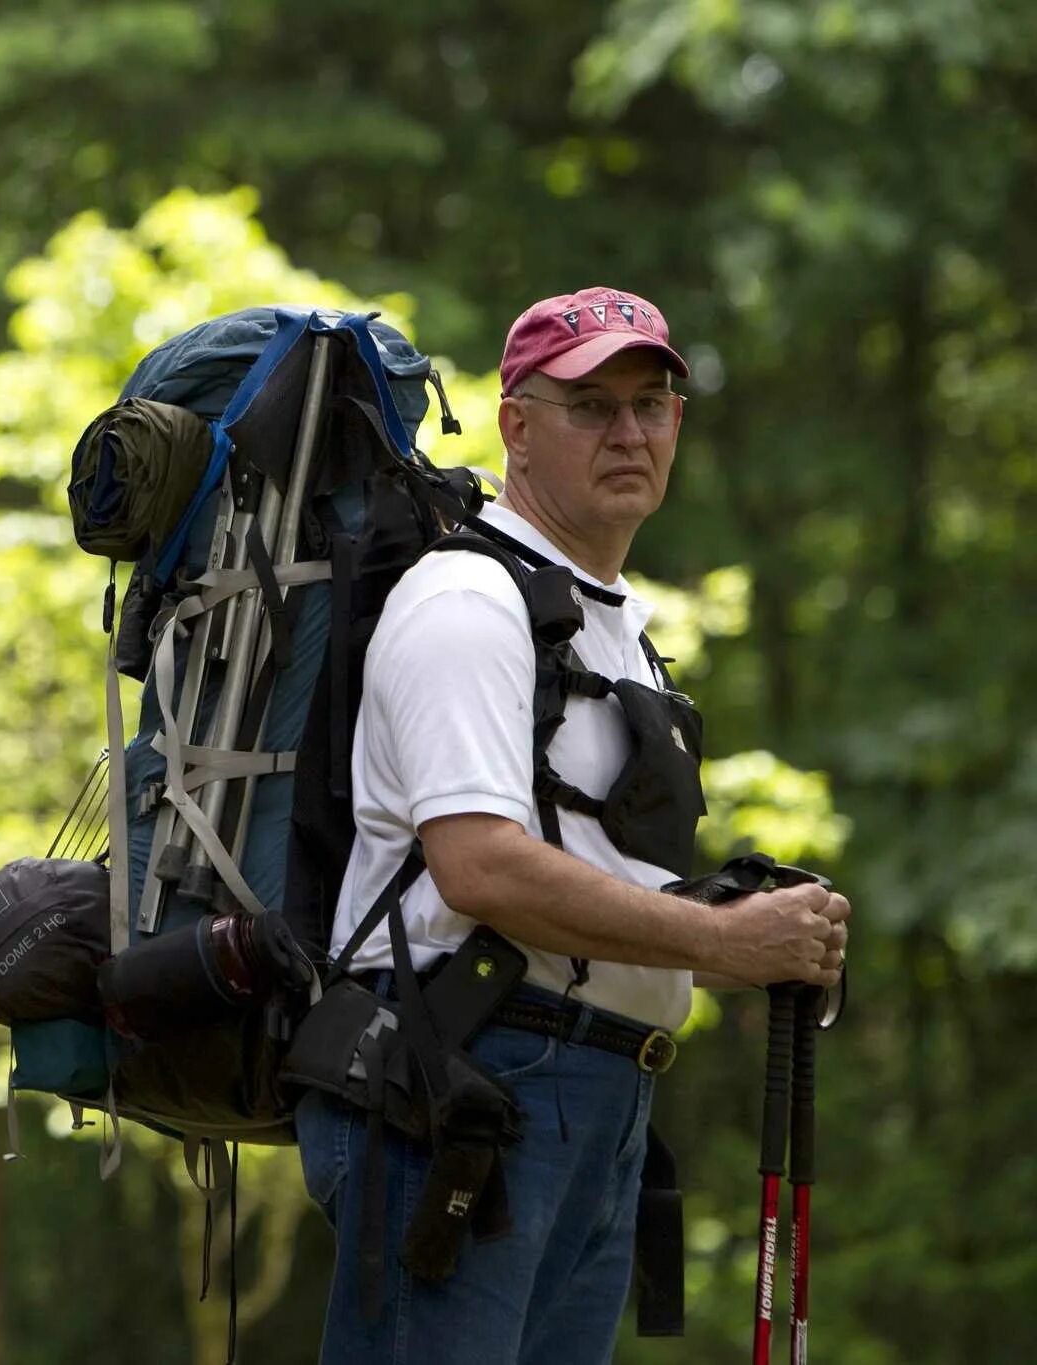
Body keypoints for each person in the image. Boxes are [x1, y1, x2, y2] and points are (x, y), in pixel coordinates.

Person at [292, 288, 851, 1363]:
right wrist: (723, 943)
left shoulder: (614, 631)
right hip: (465, 1089)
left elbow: (579, 866)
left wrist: (754, 921)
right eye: (589, 406)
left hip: (593, 1099)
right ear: (514, 423)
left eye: (651, 404)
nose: (628, 432)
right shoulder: (464, 600)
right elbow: (479, 868)